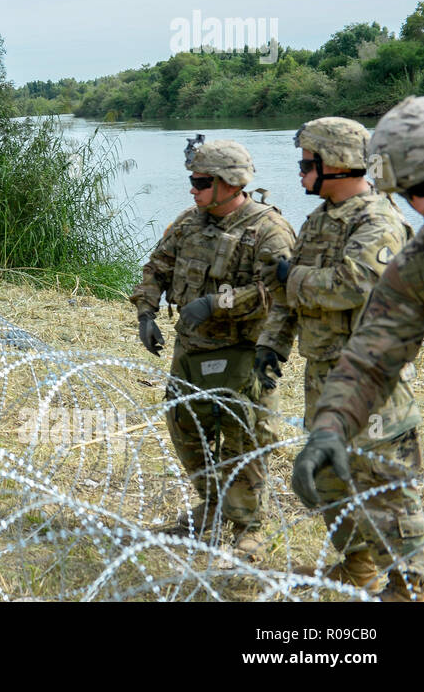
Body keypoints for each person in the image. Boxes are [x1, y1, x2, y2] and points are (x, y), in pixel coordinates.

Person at [257, 117, 414, 591]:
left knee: (383, 489)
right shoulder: (321, 220)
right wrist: (271, 344)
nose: (301, 173)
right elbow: (290, 296)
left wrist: (292, 277)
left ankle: (411, 586)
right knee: (330, 481)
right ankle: (359, 568)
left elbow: (355, 282)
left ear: (338, 164)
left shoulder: (378, 221)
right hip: (322, 371)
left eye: (308, 164)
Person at [130, 136, 295, 556]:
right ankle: (214, 505)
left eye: (201, 181)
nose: (193, 188)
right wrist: (146, 313)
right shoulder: (189, 222)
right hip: (191, 349)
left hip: (243, 350)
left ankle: (248, 526)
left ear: (228, 183)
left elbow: (278, 291)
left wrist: (216, 303)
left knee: (244, 436)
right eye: (192, 179)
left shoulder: (268, 230)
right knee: (187, 430)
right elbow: (156, 267)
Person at [292, 97, 424, 601]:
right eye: (411, 193)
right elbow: (375, 351)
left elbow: (350, 284)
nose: (420, 208)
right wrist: (331, 427)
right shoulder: (419, 259)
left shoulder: (378, 223)